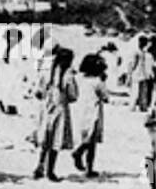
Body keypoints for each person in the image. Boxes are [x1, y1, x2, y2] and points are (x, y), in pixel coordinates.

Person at [33, 46, 77, 181]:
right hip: (60, 108)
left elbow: (38, 92)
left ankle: (40, 166)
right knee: (56, 140)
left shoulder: (46, 72)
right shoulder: (68, 75)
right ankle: (50, 171)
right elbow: (73, 95)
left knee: (45, 138)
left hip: (46, 107)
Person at [71, 52, 108, 178]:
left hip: (80, 110)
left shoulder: (79, 78)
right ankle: (87, 165)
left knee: (84, 135)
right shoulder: (97, 82)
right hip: (94, 111)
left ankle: (80, 152)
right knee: (92, 141)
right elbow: (105, 97)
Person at [129, 34, 155, 110]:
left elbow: (133, 64)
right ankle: (142, 106)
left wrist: (130, 72)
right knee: (141, 91)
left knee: (136, 91)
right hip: (142, 74)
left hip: (138, 73)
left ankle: (134, 106)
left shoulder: (138, 52)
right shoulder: (142, 52)